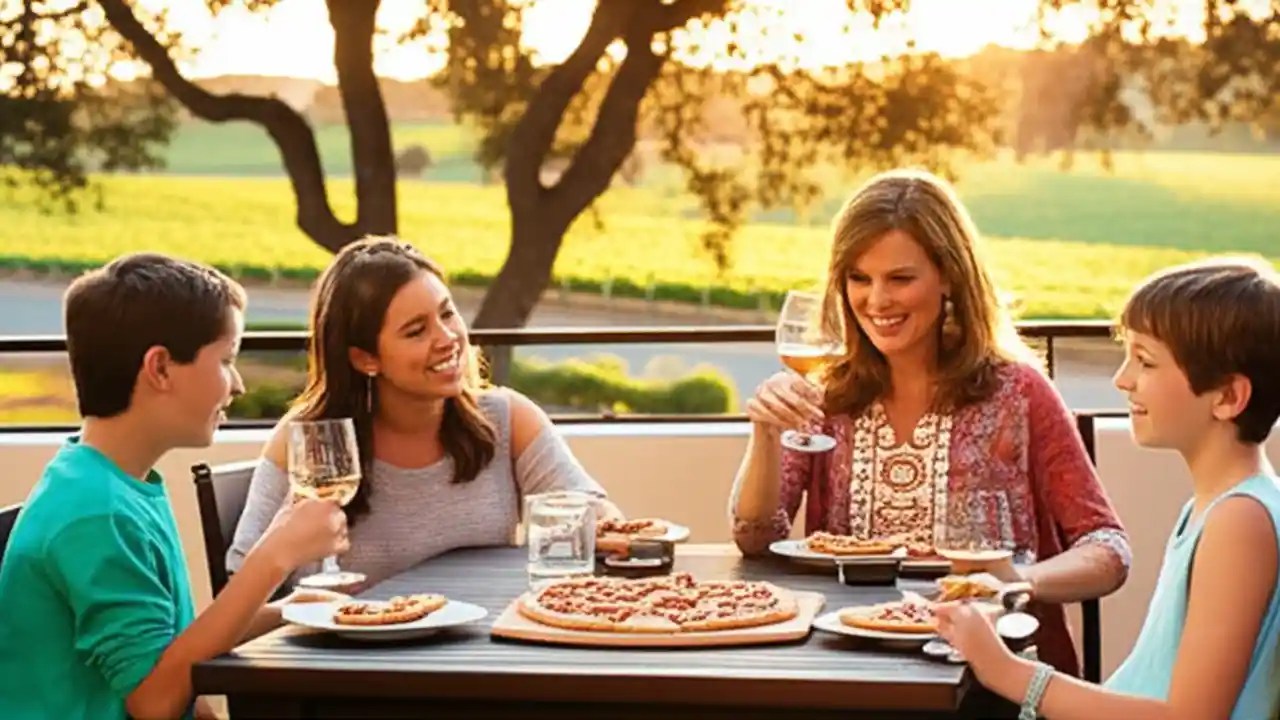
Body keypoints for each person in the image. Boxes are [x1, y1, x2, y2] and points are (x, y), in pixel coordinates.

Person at [729, 168, 1131, 675]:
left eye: (900, 278)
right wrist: (765, 434)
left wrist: (1019, 581)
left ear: (948, 276)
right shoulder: (827, 396)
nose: (876, 301)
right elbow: (755, 538)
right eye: (859, 278)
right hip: (850, 669)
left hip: (994, 674)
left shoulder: (1018, 394)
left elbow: (1108, 548)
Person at [0, 253, 349, 720]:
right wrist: (274, 557)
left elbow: (171, 655)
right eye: (226, 360)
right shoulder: (95, 513)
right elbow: (155, 701)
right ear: (160, 368)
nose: (238, 385)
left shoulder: (117, 483)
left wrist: (287, 609)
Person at [937, 257, 1280, 720]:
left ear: (1227, 397)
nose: (1123, 379)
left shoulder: (1240, 521)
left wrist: (1007, 671)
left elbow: (1191, 715)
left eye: (1146, 361)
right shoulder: (1212, 510)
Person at [229, 236, 621, 587]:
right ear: (365, 358)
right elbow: (244, 585)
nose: (448, 339)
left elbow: (596, 515)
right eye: (416, 331)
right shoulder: (308, 439)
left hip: (481, 651)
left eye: (447, 314)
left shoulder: (507, 418)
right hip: (351, 659)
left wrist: (600, 520)